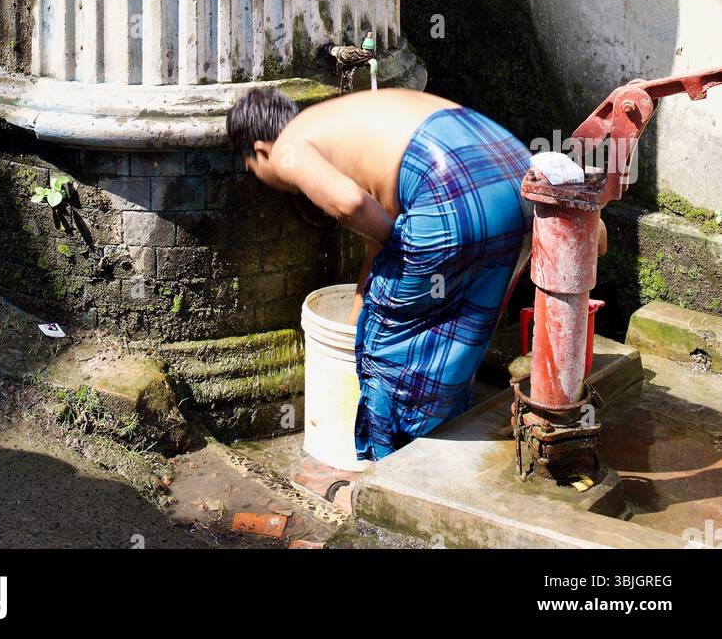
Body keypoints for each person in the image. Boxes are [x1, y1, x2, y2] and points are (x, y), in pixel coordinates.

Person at [226, 85, 607, 462]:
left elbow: (350, 203)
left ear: (260, 151)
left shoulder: (287, 148)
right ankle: (442, 449)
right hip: (517, 177)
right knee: (459, 331)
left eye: (253, 168)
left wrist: (399, 250)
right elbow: (372, 241)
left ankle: (389, 471)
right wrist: (364, 306)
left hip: (450, 191)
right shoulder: (341, 120)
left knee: (384, 352)